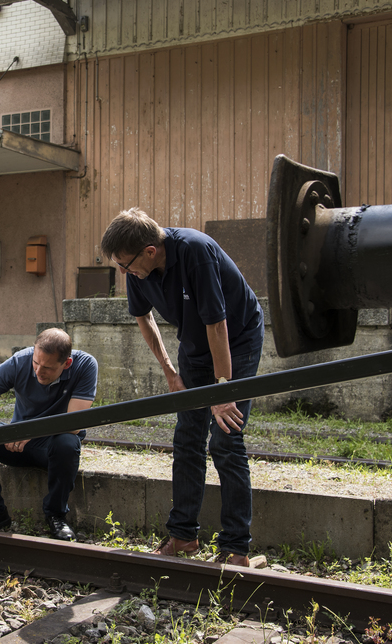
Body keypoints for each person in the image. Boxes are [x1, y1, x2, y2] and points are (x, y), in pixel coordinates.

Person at [100, 208, 264, 566]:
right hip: (194, 345)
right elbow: (144, 318)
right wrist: (171, 372)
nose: (125, 274)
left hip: (237, 339)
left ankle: (236, 546)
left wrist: (222, 393)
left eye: (126, 266)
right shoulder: (136, 268)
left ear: (150, 250)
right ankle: (183, 536)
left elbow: (217, 325)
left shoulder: (195, 251)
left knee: (225, 436)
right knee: (187, 437)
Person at [0, 328, 98, 541]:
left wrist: (31, 431)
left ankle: (56, 515)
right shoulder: (19, 362)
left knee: (68, 443)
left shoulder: (85, 365)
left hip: (53, 448)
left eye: (48, 368)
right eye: (36, 363)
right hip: (16, 445)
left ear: (66, 364)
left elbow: (74, 423)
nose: (38, 371)